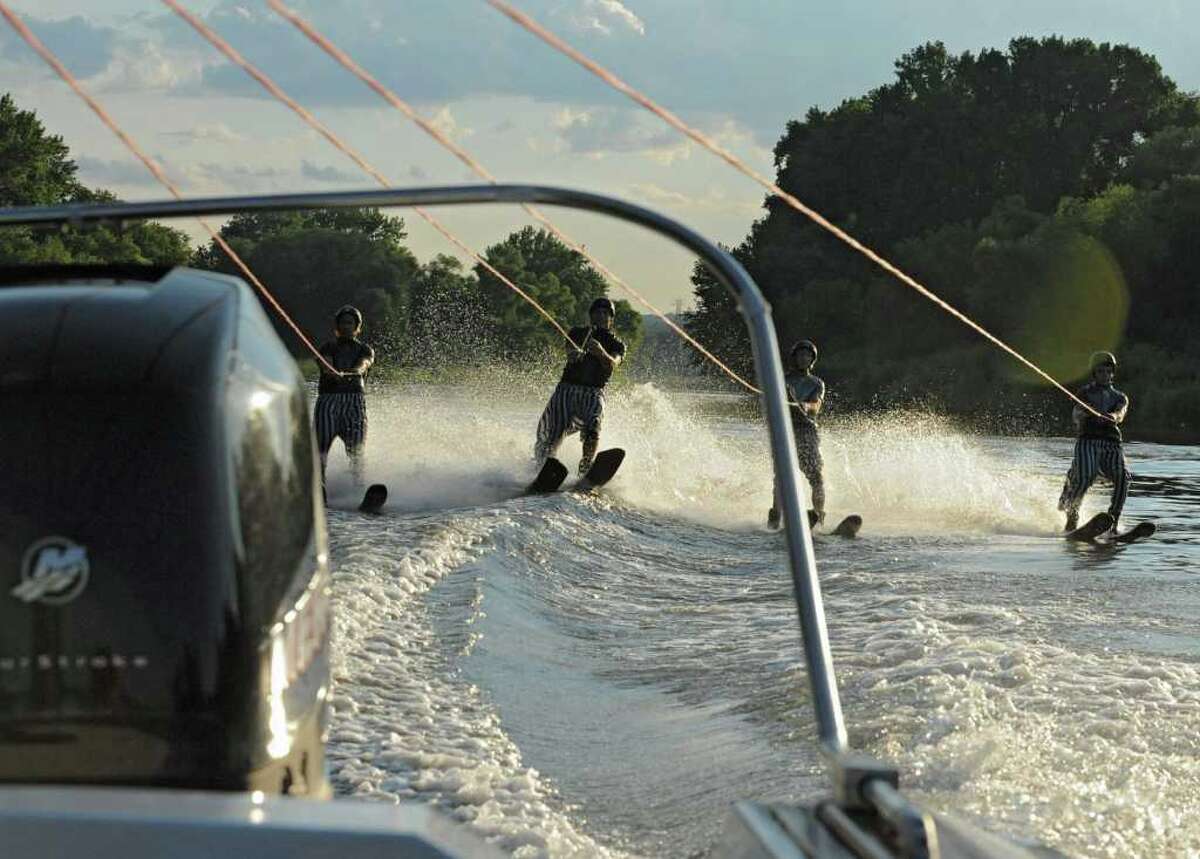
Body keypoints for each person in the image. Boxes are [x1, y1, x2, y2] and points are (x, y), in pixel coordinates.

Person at [534, 297, 626, 475]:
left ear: (611, 319)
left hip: (594, 393)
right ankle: (546, 463)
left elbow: (613, 363)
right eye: (597, 312)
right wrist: (573, 353)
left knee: (593, 427)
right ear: (591, 316)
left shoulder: (617, 344)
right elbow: (569, 349)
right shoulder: (577, 333)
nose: (601, 316)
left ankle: (586, 466)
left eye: (605, 313)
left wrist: (601, 353)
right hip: (567, 389)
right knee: (556, 430)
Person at [1057, 350, 1131, 533]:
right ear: (1094, 373)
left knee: (1124, 478)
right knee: (1086, 476)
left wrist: (1111, 416)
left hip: (1111, 443)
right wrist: (1088, 413)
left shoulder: (1120, 397)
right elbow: (1076, 414)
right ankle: (1072, 517)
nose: (1104, 375)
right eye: (1100, 372)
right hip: (1087, 441)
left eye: (1107, 372)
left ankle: (1113, 519)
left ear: (1112, 373)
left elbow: (1120, 414)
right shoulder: (1085, 393)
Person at [767, 339, 826, 530]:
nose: (803, 358)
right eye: (800, 355)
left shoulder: (817, 383)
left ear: (812, 360)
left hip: (807, 433)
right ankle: (776, 516)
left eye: (807, 355)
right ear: (794, 358)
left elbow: (815, 407)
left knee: (816, 478)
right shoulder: (781, 380)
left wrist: (801, 404)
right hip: (784, 433)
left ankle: (818, 516)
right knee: (782, 478)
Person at [314, 304, 374, 489]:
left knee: (356, 451)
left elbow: (364, 364)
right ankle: (318, 484)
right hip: (328, 402)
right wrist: (331, 371)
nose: (346, 326)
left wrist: (354, 372)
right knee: (321, 448)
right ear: (336, 326)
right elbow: (326, 363)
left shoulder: (365, 350)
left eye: (350, 323)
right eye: (342, 323)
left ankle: (358, 487)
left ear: (357, 327)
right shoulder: (328, 347)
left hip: (354, 403)